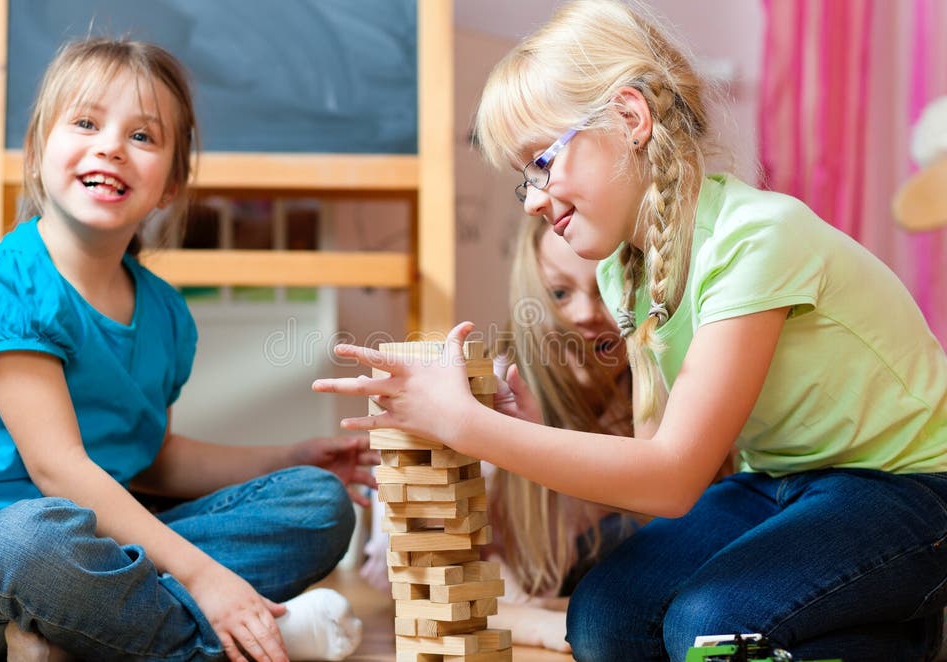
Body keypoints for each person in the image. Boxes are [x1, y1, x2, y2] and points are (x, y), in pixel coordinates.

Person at [312, 1, 947, 660]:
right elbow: (653, 478)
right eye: (524, 180)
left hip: (909, 489)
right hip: (782, 484)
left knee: (710, 624)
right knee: (604, 616)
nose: (533, 201)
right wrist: (533, 432)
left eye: (541, 163)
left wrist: (466, 425)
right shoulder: (623, 272)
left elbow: (671, 478)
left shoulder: (757, 240)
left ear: (630, 118)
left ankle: (900, 635)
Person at [0, 39, 371, 662]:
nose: (111, 147)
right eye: (86, 123)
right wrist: (205, 579)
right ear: (38, 151)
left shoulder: (166, 313)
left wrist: (289, 456)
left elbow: (154, 460)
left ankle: (88, 639)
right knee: (32, 538)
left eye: (142, 136)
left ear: (171, 184)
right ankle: (219, 642)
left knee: (317, 504)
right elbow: (59, 471)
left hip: (107, 555)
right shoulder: (5, 284)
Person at [358, 219, 639, 652]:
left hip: (570, 571)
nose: (586, 314)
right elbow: (421, 584)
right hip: (490, 572)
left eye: (607, 289)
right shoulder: (485, 394)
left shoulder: (653, 397)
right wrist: (534, 620)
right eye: (559, 294)